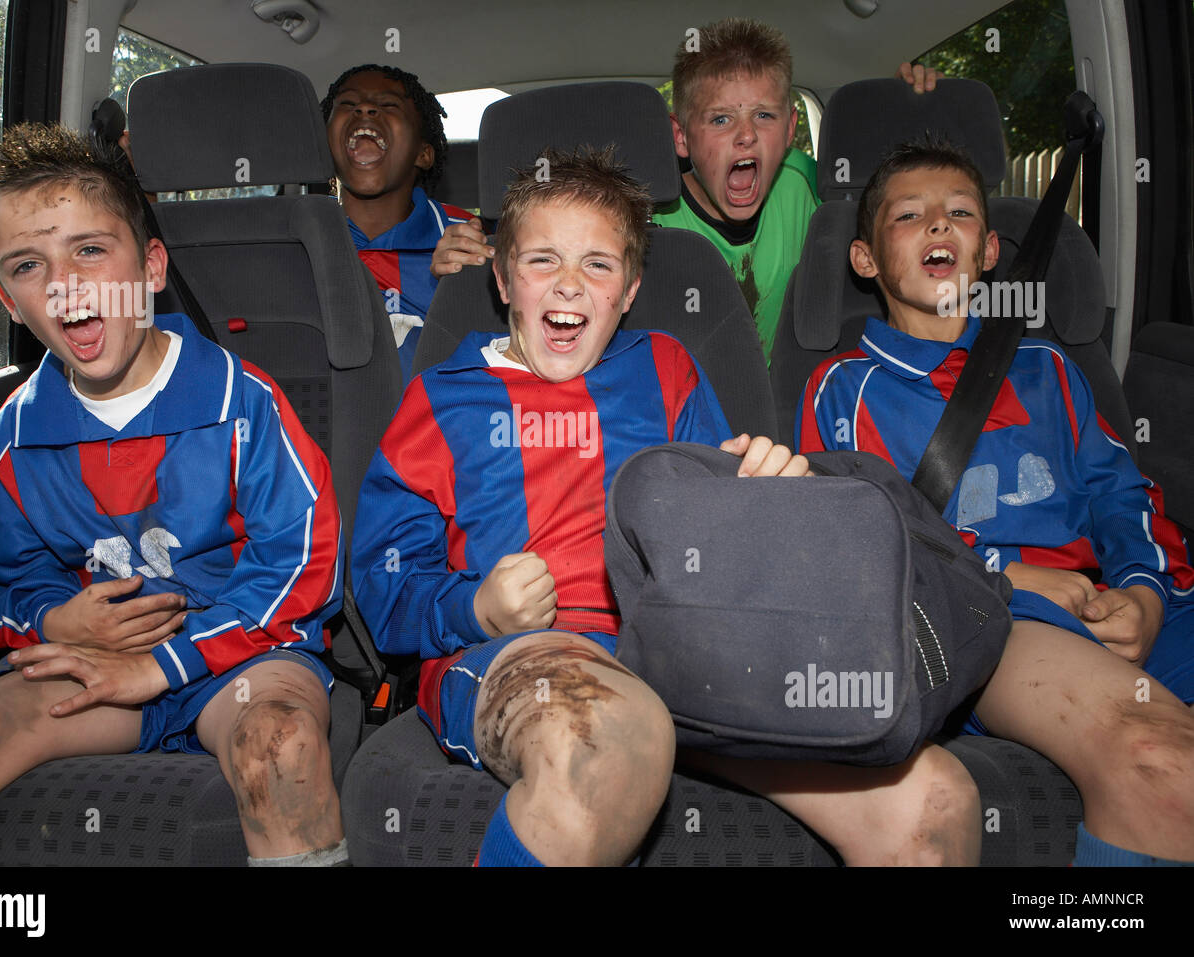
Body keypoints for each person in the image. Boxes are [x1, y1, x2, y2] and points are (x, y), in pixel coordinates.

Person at [353, 146, 984, 867]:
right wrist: (475, 608)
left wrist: (768, 498)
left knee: (936, 801)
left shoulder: (667, 368)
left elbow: (721, 544)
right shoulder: (440, 400)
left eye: (598, 264)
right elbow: (381, 587)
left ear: (628, 290)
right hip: (520, 652)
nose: (569, 284)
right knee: (607, 741)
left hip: (684, 652)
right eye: (541, 261)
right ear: (500, 277)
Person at [0, 123, 348, 866]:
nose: (65, 284)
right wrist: (55, 616)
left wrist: (167, 665)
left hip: (241, 653)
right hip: (92, 660)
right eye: (30, 265)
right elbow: (11, 581)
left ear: (152, 267)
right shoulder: (17, 433)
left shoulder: (244, 401)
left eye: (91, 250)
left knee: (280, 748)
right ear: (9, 300)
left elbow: (303, 566)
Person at [796, 136, 1194, 865]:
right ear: (865, 259)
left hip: (1125, 605)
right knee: (1157, 758)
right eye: (910, 216)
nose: (939, 226)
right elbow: (856, 543)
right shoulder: (845, 390)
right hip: (986, 619)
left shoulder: (1052, 371)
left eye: (960, 214)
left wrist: (1144, 592)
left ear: (988, 252)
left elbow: (1123, 494)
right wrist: (1000, 577)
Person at [428, 18, 937, 364]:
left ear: (789, 130)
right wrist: (469, 250)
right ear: (680, 137)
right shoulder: (636, 220)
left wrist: (907, 114)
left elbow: (904, 221)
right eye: (720, 119)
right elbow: (539, 242)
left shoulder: (806, 191)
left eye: (764, 115)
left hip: (787, 401)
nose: (745, 135)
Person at [321, 64, 471, 381]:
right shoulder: (295, 244)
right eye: (348, 104)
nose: (365, 108)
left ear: (423, 154)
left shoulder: (467, 239)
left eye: (388, 105)